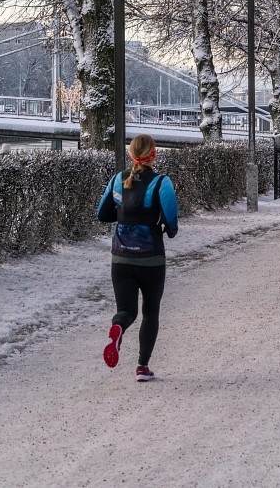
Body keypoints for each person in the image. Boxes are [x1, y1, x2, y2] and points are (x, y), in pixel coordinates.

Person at [97, 134, 178, 382]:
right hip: (151, 258)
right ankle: (142, 367)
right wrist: (165, 226)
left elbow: (102, 214)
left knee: (126, 310)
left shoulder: (117, 180)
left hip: (121, 258)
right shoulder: (161, 182)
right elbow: (172, 223)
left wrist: (124, 216)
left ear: (131, 155)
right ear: (154, 154)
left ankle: (118, 327)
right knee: (150, 312)